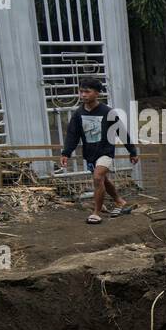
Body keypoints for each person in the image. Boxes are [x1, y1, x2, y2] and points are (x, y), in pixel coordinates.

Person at [58, 77, 137, 225]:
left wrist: (132, 151)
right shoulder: (78, 114)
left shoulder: (108, 112)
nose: (83, 95)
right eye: (81, 92)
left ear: (97, 94)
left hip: (105, 151)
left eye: (87, 92)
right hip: (90, 153)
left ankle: (96, 213)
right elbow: (72, 135)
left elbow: (121, 131)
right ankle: (119, 201)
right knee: (103, 180)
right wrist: (66, 153)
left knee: (97, 177)